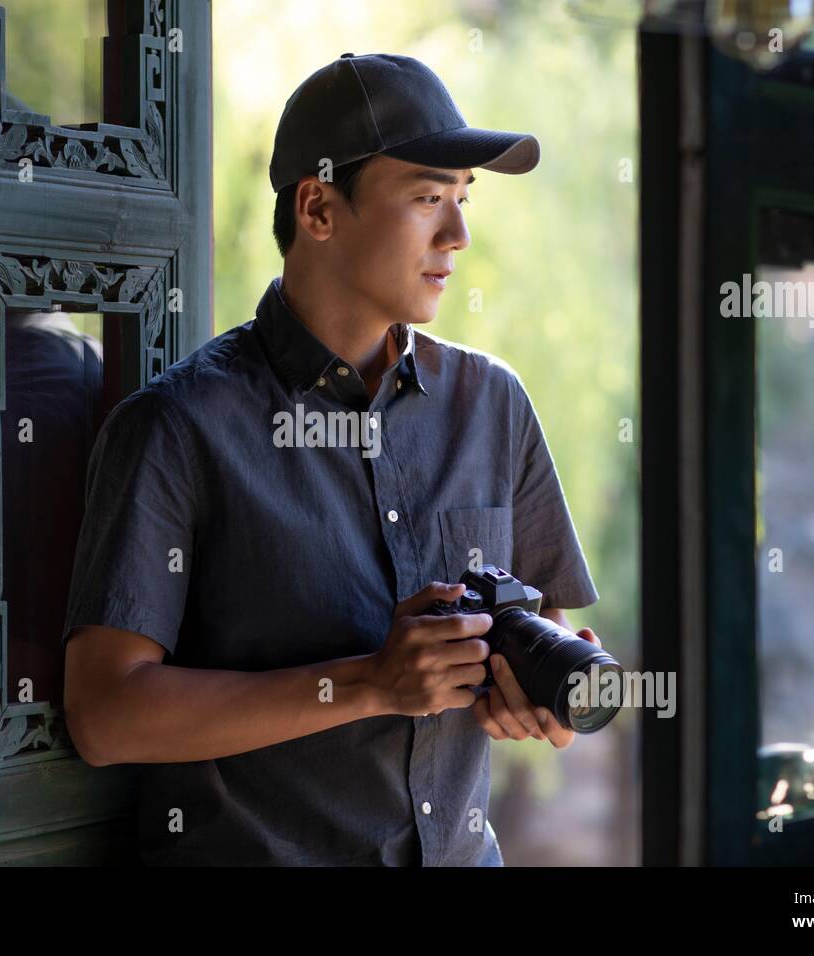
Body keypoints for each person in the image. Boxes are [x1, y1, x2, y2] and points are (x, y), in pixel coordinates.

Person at [62, 52, 601, 866]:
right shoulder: (176, 428)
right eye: (428, 199)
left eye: (461, 201)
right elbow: (104, 716)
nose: (457, 236)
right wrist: (371, 684)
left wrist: (544, 693)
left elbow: (555, 632)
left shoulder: (494, 404)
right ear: (317, 206)